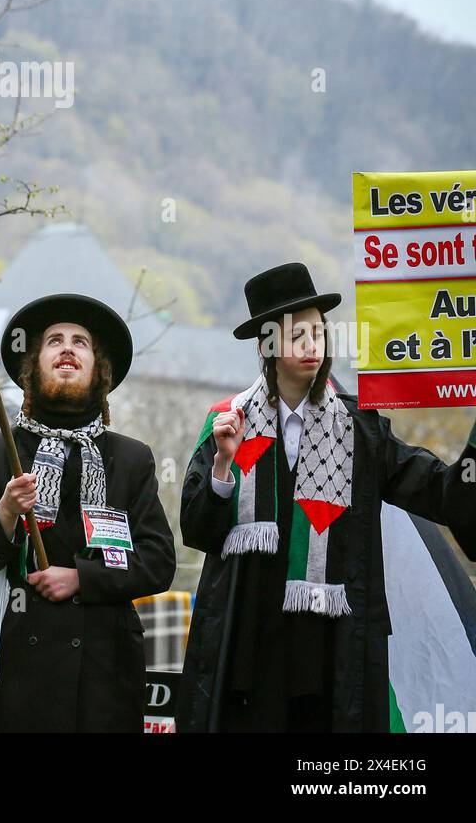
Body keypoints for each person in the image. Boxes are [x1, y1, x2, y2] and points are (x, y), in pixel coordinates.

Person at [176, 261, 476, 733]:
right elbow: (196, 529)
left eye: (318, 331)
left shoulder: (360, 427)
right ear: (267, 346)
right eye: (296, 335)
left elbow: (439, 490)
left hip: (334, 644)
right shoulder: (227, 421)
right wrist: (222, 464)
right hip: (249, 642)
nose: (311, 344)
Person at [0, 292, 177, 733]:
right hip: (13, 671)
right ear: (33, 365)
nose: (68, 349)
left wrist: (81, 578)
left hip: (104, 678)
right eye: (54, 341)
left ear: (99, 370)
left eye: (81, 342)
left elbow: (158, 562)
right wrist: (4, 510)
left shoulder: (131, 459)